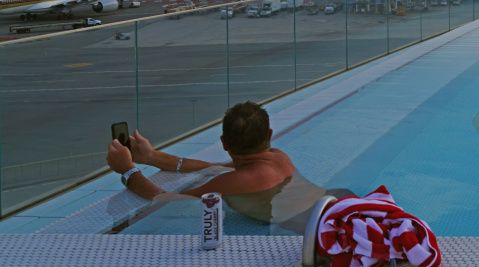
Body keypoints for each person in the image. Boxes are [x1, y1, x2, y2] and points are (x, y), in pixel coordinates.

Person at [106, 101, 341, 229]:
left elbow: (166, 201)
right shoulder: (280, 158)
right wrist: (152, 156)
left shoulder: (233, 182)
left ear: (224, 143)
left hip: (317, 230)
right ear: (269, 134)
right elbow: (212, 167)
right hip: (334, 210)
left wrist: (128, 170)